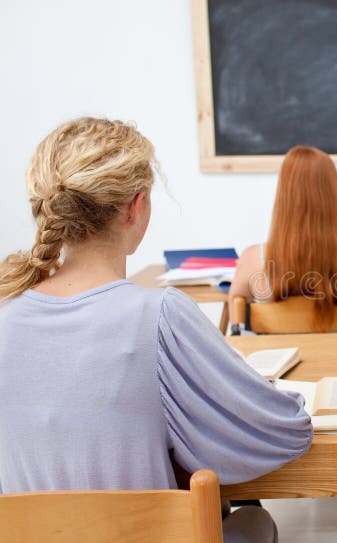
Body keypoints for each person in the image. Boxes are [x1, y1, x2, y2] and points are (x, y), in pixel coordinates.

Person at [0, 118, 312, 543]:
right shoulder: (159, 314)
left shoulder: (6, 313)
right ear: (136, 205)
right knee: (255, 519)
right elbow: (279, 431)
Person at [229, 145, 337, 332]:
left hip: (277, 361)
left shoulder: (252, 259)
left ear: (283, 194)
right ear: (333, 192)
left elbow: (237, 331)